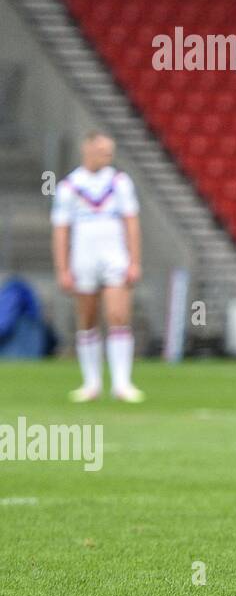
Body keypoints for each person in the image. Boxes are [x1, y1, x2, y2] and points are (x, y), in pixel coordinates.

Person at [50, 131, 144, 402]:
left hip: (114, 256)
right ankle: (91, 383)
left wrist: (134, 261)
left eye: (110, 152)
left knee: (117, 316)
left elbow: (131, 222)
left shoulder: (119, 182)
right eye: (103, 150)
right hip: (83, 258)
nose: (108, 156)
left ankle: (122, 383)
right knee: (88, 319)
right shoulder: (69, 186)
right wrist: (63, 268)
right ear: (87, 149)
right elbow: (60, 230)